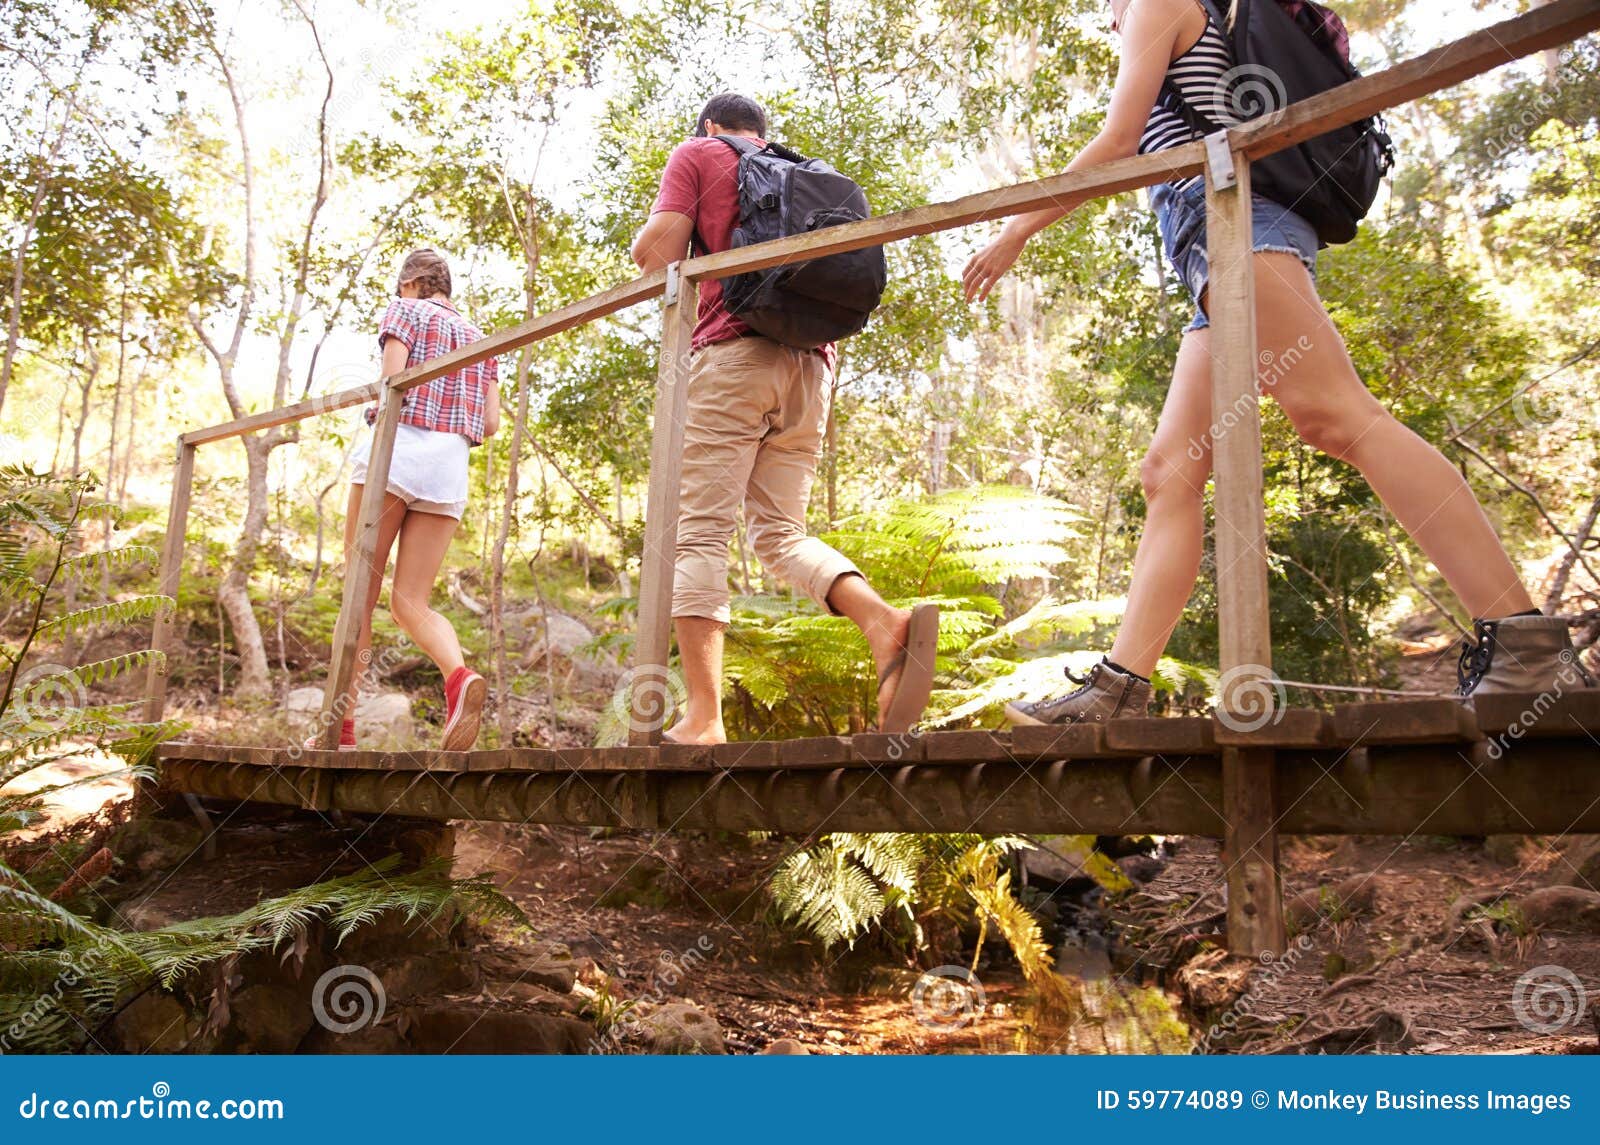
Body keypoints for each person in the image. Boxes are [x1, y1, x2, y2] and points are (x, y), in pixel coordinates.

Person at [959, 0, 1591, 726]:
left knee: (1335, 416)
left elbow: (1119, 139)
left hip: (1235, 220)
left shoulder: (1155, 1)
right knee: (1169, 471)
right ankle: (1120, 689)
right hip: (1218, 238)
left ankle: (1523, 641)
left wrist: (1015, 231)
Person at [630, 92, 939, 744]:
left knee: (701, 535)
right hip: (812, 368)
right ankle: (882, 621)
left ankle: (705, 716)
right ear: (762, 133)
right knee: (778, 535)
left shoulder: (700, 153)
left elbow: (654, 253)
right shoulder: (803, 170)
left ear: (711, 124)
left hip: (734, 357)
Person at [314, 248, 501, 751]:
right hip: (447, 468)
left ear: (411, 282)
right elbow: (490, 424)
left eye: (401, 286)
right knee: (410, 600)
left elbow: (391, 384)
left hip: (397, 454)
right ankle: (458, 677)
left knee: (360, 595)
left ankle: (340, 731)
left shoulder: (406, 311)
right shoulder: (482, 338)